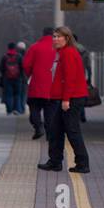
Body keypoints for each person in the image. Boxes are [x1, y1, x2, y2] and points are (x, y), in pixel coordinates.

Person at [39, 25, 90, 174]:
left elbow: (70, 79)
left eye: (58, 36)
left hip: (71, 98)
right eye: (54, 36)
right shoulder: (62, 53)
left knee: (72, 131)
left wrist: (66, 100)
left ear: (67, 38)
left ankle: (82, 163)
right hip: (63, 98)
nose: (54, 39)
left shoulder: (68, 53)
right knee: (55, 130)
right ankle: (55, 161)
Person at [21, 27, 55, 140]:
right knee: (50, 111)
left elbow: (26, 65)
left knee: (34, 108)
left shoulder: (34, 47)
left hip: (36, 84)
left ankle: (38, 127)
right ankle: (50, 134)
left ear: (43, 34)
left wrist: (30, 74)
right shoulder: (58, 48)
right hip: (53, 86)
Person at [0, 41, 23, 115]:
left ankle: (9, 110)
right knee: (17, 94)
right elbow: (22, 67)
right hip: (17, 78)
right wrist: (20, 75)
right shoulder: (18, 56)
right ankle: (17, 109)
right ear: (15, 48)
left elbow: (1, 67)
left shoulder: (5, 56)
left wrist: (4, 74)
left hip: (7, 78)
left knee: (9, 95)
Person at [14, 41, 28, 113]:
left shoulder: (15, 55)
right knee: (23, 93)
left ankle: (18, 108)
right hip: (24, 77)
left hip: (16, 77)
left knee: (18, 94)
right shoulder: (27, 55)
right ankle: (22, 108)